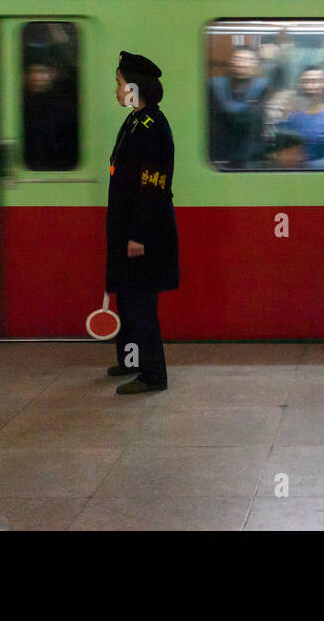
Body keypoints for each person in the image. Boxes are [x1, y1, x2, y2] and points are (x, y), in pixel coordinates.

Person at [106, 51, 178, 394]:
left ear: (135, 87)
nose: (117, 90)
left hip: (144, 233)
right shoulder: (135, 121)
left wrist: (138, 234)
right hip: (127, 229)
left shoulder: (153, 127)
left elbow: (152, 187)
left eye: (119, 84)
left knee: (141, 304)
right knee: (127, 298)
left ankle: (153, 374)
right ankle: (131, 361)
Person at [209, 47, 270, 167]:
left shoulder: (263, 86)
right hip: (219, 152)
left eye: (248, 60)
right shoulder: (215, 85)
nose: (242, 64)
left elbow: (250, 118)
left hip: (251, 153)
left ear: (256, 65)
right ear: (231, 63)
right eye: (238, 59)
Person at [286, 65, 324, 161]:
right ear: (301, 85)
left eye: (317, 81)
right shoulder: (293, 118)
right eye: (307, 81)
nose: (312, 86)